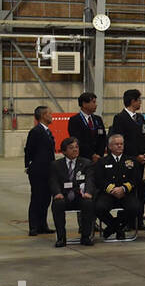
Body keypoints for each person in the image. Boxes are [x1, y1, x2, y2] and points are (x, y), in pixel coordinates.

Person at [92, 133, 139, 240]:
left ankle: (112, 228)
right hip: (108, 194)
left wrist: (123, 188)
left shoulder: (131, 161)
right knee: (99, 208)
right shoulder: (102, 162)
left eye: (121, 144)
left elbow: (135, 179)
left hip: (126, 193)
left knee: (135, 207)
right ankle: (118, 228)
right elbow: (99, 180)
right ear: (110, 146)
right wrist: (112, 189)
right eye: (116, 144)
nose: (119, 146)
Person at [50, 137, 94, 247]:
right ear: (64, 151)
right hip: (64, 196)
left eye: (77, 147)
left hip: (80, 195)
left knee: (88, 203)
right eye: (71, 148)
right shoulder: (56, 165)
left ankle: (85, 236)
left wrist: (88, 192)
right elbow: (53, 181)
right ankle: (61, 238)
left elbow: (90, 180)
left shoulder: (86, 163)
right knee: (57, 204)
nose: (75, 150)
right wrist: (57, 193)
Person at [24, 106, 55, 236]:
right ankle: (34, 226)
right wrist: (29, 165)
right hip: (38, 170)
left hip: (48, 169)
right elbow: (29, 149)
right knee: (37, 197)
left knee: (46, 198)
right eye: (49, 113)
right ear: (43, 115)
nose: (52, 115)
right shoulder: (36, 131)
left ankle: (43, 224)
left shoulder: (48, 132)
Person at [67, 92, 108, 162]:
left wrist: (99, 154)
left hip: (98, 158)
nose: (96, 105)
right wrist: (92, 155)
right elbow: (77, 140)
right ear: (84, 104)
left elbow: (103, 138)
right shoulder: (75, 120)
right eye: (93, 102)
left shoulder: (98, 119)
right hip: (83, 158)